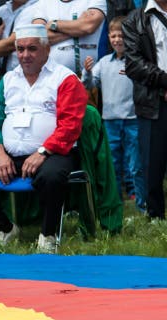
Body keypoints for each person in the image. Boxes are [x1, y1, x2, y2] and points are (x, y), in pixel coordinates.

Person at [0, 24, 87, 253]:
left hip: (53, 153)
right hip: (10, 154)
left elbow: (70, 126)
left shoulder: (65, 78)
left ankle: (48, 235)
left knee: (52, 176)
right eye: (21, 49)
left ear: (46, 49)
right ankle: (3, 227)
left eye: (32, 49)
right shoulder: (8, 79)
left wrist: (43, 152)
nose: (25, 55)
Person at [82, 16, 144, 210]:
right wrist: (87, 72)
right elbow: (90, 85)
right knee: (113, 163)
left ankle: (140, 202)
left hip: (133, 119)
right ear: (109, 38)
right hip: (110, 121)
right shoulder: (104, 63)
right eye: (113, 36)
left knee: (135, 164)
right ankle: (115, 200)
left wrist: (135, 74)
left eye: (121, 36)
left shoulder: (136, 61)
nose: (117, 40)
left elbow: (145, 85)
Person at [122, 0, 167, 220]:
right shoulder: (134, 20)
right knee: (152, 163)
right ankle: (156, 217)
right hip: (153, 101)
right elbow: (133, 64)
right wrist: (165, 82)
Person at [31, 0, 106, 75]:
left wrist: (54, 24)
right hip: (55, 78)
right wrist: (79, 29)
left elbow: (88, 26)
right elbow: (37, 37)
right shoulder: (43, 2)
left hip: (92, 77)